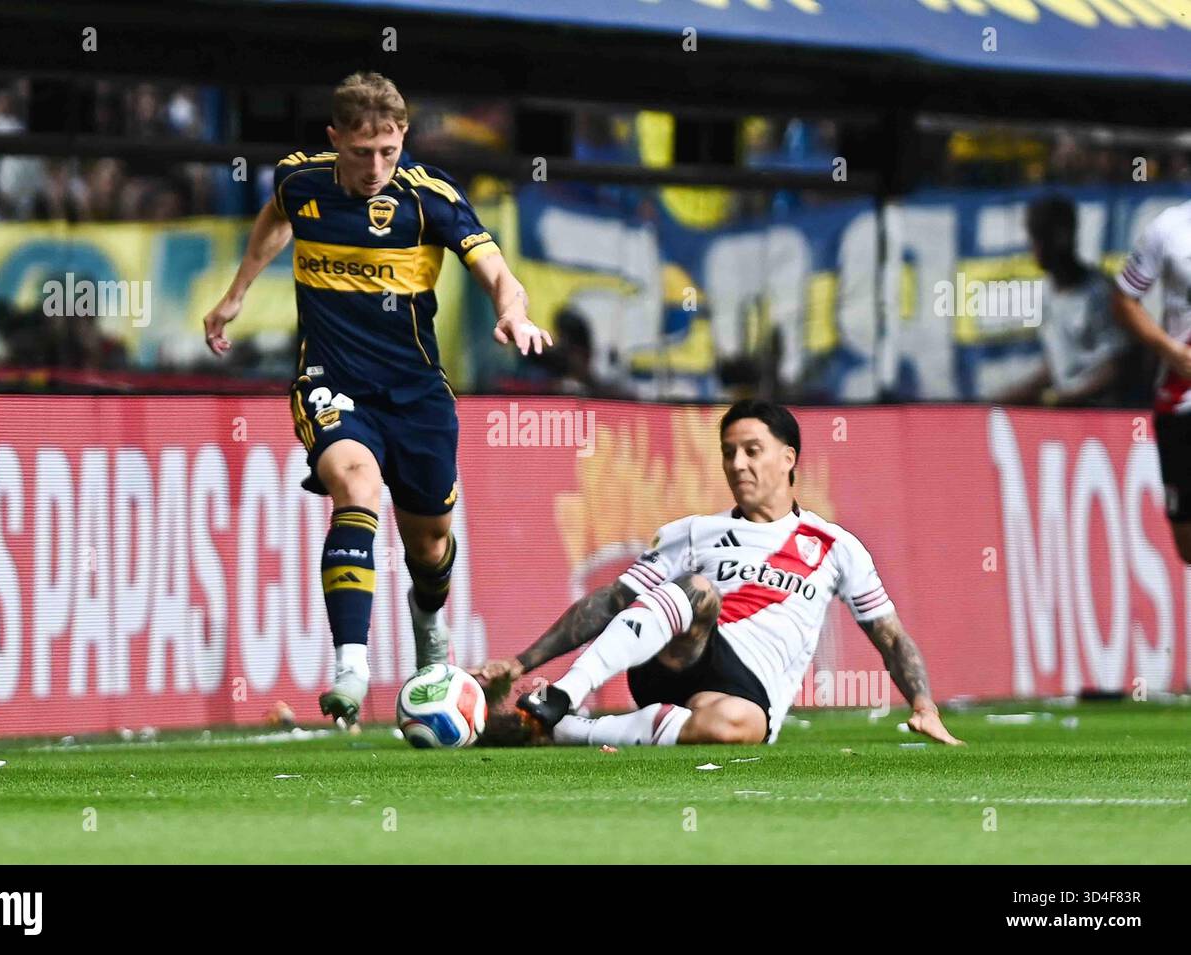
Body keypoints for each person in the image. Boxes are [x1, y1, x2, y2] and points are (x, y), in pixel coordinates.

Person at [202, 71, 549, 725]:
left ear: (403, 138)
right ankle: (352, 665)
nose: (375, 166)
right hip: (331, 380)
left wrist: (514, 313)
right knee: (355, 486)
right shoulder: (302, 182)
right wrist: (239, 289)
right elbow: (277, 217)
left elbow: (497, 269)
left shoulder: (430, 198)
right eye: (362, 152)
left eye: (388, 151)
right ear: (336, 140)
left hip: (416, 392)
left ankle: (428, 624)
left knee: (429, 543)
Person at [476, 400, 963, 747]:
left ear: (789, 458)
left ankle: (556, 729)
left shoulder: (836, 546)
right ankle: (566, 693)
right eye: (729, 452)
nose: (737, 464)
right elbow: (613, 600)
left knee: (734, 729)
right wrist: (521, 664)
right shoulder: (693, 532)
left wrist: (924, 707)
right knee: (701, 591)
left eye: (752, 450)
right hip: (676, 659)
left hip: (750, 687)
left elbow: (891, 637)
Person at [1112, 199, 1191, 563]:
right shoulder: (1169, 228)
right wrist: (1171, 352)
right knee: (1186, 543)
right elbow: (1125, 300)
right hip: (1181, 400)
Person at [996, 195, 1132, 407]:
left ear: (1063, 237)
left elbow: (1119, 367)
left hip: (1103, 421)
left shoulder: (1100, 294)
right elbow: (1060, 364)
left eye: (1041, 237)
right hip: (1066, 422)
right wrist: (1012, 396)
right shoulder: (1046, 292)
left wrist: (1066, 399)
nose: (1035, 248)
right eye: (1033, 238)